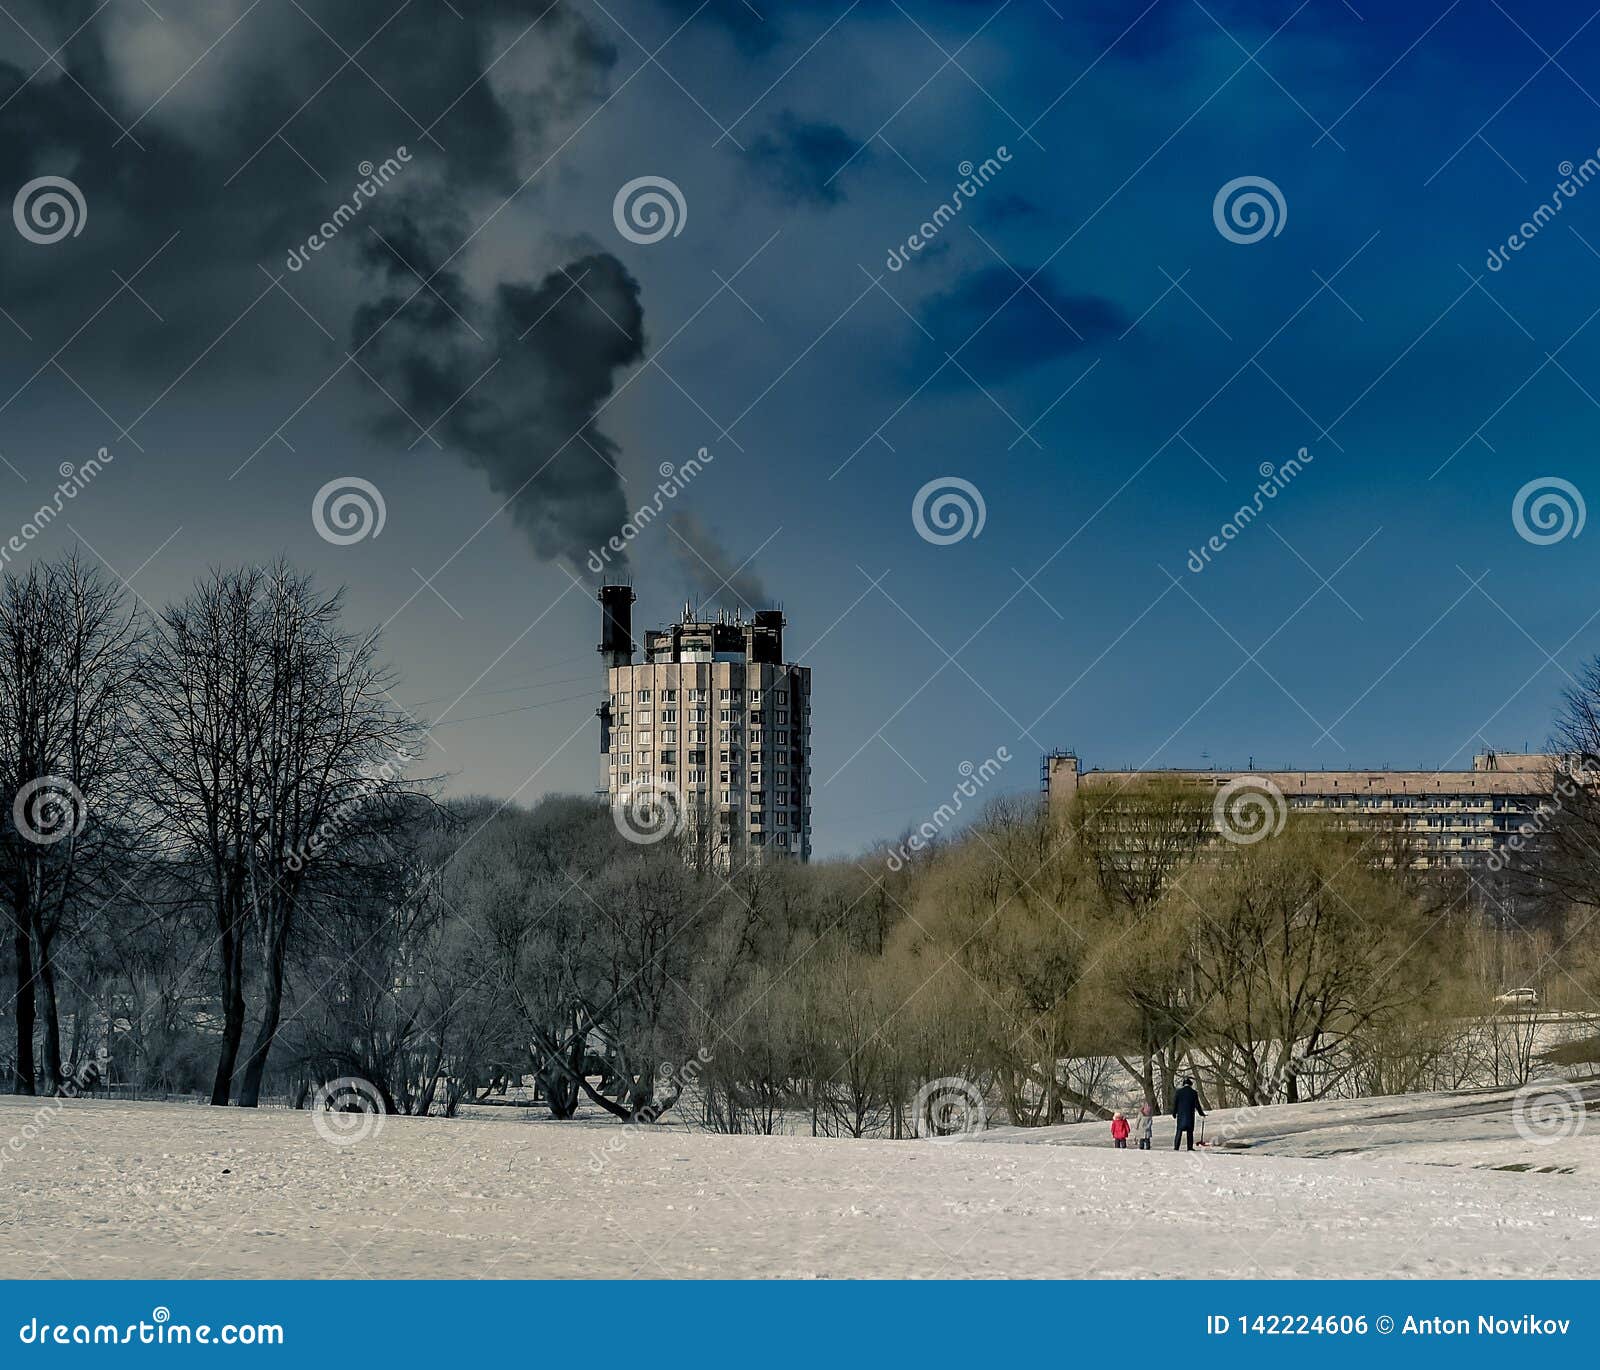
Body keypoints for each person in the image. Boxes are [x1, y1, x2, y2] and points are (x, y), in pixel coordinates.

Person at [1172, 1077, 1205, 1151]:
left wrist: (1174, 1113)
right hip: (1190, 1115)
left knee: (1179, 1131)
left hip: (1181, 1115)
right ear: (1190, 1084)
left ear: (1184, 1084)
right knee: (1190, 1132)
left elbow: (1175, 1104)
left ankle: (1176, 1146)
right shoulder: (1193, 1092)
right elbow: (1197, 1105)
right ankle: (1189, 1147)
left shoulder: (1178, 1092)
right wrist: (1201, 1113)